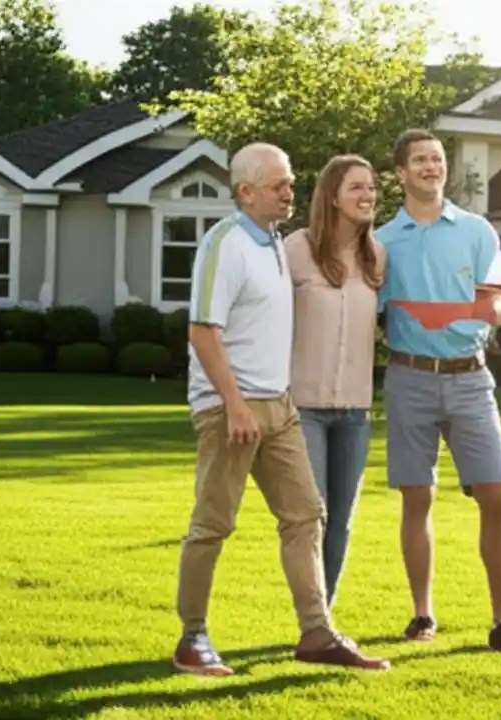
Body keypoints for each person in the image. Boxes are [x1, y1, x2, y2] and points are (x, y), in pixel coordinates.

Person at [172, 142, 389, 676]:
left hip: (280, 407)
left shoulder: (272, 242)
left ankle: (316, 632)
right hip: (232, 411)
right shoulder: (226, 244)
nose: (289, 190)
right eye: (277, 184)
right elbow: (203, 331)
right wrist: (235, 404)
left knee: (305, 516)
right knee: (213, 524)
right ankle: (192, 638)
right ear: (245, 191)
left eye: (290, 181)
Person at [376, 128, 501, 652]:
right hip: (408, 379)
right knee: (417, 498)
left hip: (471, 378)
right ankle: (422, 615)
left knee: (497, 497)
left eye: (437, 159)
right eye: (420, 160)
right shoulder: (380, 242)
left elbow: (499, 306)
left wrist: (462, 313)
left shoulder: (477, 232)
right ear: (401, 173)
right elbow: (371, 312)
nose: (432, 167)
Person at [284, 154, 386, 608]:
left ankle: (325, 616)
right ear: (332, 196)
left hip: (356, 410)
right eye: (356, 188)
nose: (368, 196)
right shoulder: (296, 249)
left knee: (341, 518)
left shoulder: (376, 255)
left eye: (371, 188)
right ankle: (312, 617)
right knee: (312, 515)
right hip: (303, 407)